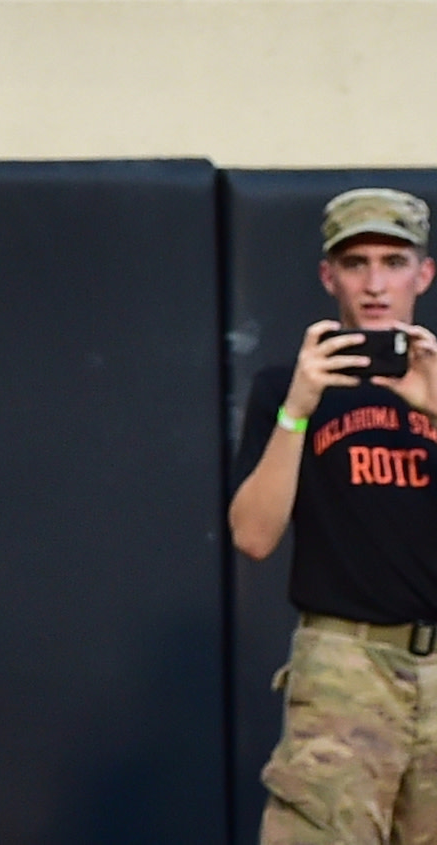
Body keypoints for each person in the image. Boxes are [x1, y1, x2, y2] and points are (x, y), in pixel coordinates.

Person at [229, 186, 437, 844]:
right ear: (329, 276)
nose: (375, 283)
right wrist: (298, 406)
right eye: (355, 263)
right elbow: (253, 537)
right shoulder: (286, 387)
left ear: (424, 273)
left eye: (393, 260)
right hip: (345, 661)